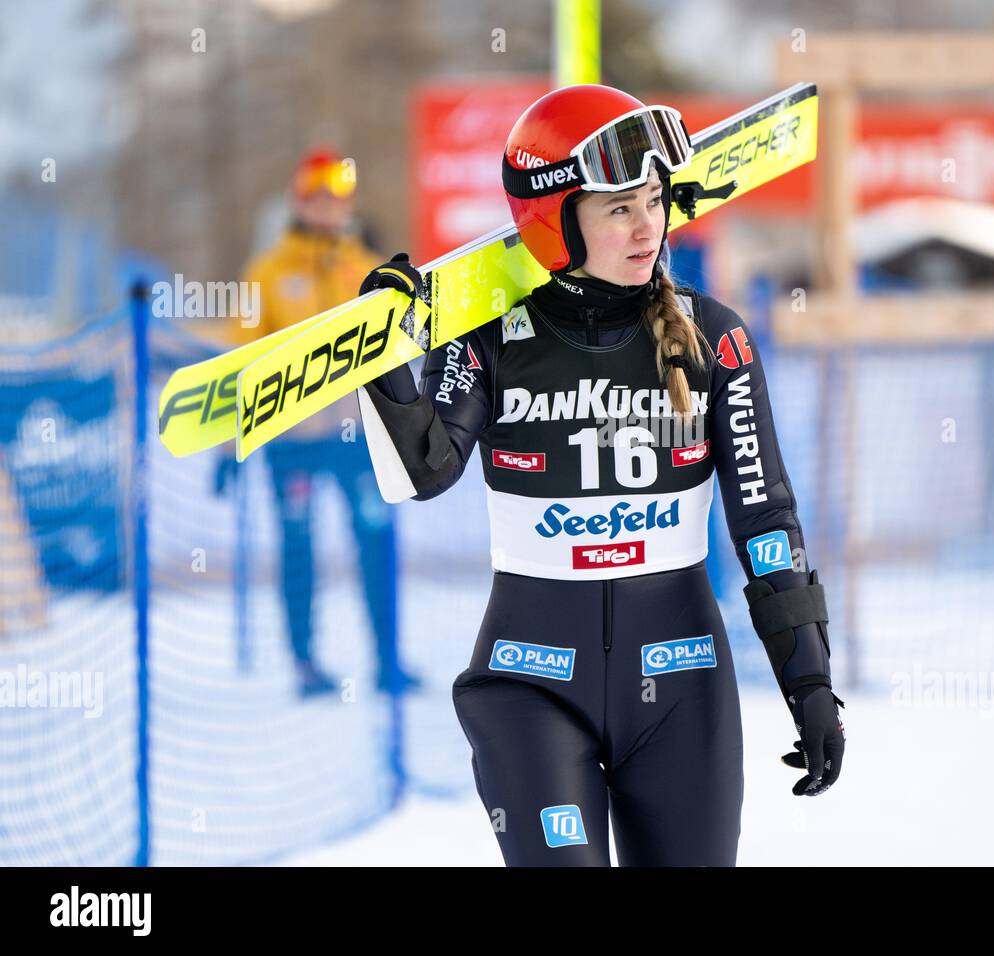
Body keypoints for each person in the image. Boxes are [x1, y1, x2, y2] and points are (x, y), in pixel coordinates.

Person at [357, 85, 844, 866]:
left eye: (653, 199)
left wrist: (810, 683)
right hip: (528, 686)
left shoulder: (714, 338)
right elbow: (421, 471)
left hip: (684, 685)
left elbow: (765, 521)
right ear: (556, 220)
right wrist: (379, 353)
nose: (648, 224)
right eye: (619, 207)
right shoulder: (493, 338)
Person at [217, 148, 423, 698]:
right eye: (318, 197)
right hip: (293, 440)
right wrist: (227, 444)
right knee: (298, 549)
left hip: (359, 439)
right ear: (299, 201)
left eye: (339, 198)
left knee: (376, 543)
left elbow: (398, 346)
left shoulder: (365, 264)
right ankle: (305, 663)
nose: (329, 208)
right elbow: (238, 360)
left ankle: (387, 659)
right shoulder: (266, 273)